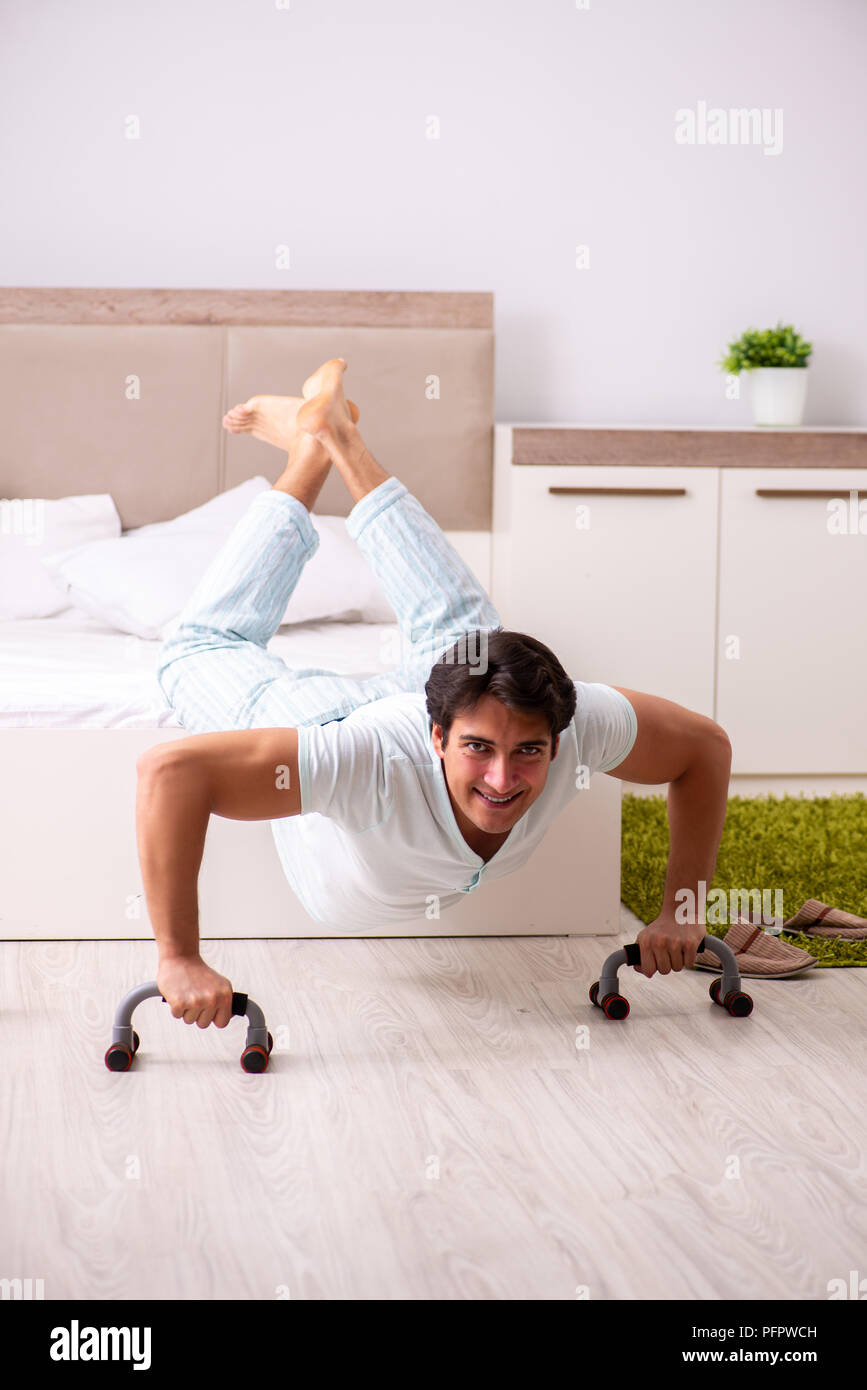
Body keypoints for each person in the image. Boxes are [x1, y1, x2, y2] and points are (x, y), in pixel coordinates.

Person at [137, 359, 732, 1032]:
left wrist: (683, 910)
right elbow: (169, 771)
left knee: (472, 637)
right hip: (316, 722)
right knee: (197, 647)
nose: (502, 780)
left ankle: (337, 437)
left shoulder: (575, 721)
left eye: (528, 752)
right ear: (438, 735)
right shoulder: (360, 762)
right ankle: (309, 458)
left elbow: (704, 748)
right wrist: (178, 956)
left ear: (558, 739)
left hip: (421, 697)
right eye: (478, 749)